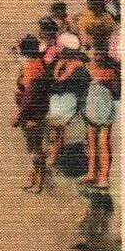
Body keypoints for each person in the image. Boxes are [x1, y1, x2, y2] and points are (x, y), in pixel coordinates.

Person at [13, 36, 51, 193]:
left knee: (35, 150)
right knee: (35, 149)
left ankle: (38, 182)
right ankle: (34, 179)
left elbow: (30, 96)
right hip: (37, 112)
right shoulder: (37, 62)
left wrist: (19, 117)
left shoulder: (31, 68)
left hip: (32, 114)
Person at [46, 33, 89, 169]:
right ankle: (57, 151)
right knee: (56, 128)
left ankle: (56, 152)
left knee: (57, 124)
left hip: (69, 101)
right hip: (60, 99)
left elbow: (61, 83)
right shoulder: (63, 62)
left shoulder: (78, 67)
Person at [84, 48, 119, 189]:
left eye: (100, 54)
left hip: (104, 111)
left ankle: (104, 177)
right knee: (91, 143)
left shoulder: (110, 73)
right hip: (91, 110)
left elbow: (116, 91)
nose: (97, 56)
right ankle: (91, 173)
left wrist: (106, 84)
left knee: (103, 143)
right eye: (95, 53)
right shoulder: (89, 69)